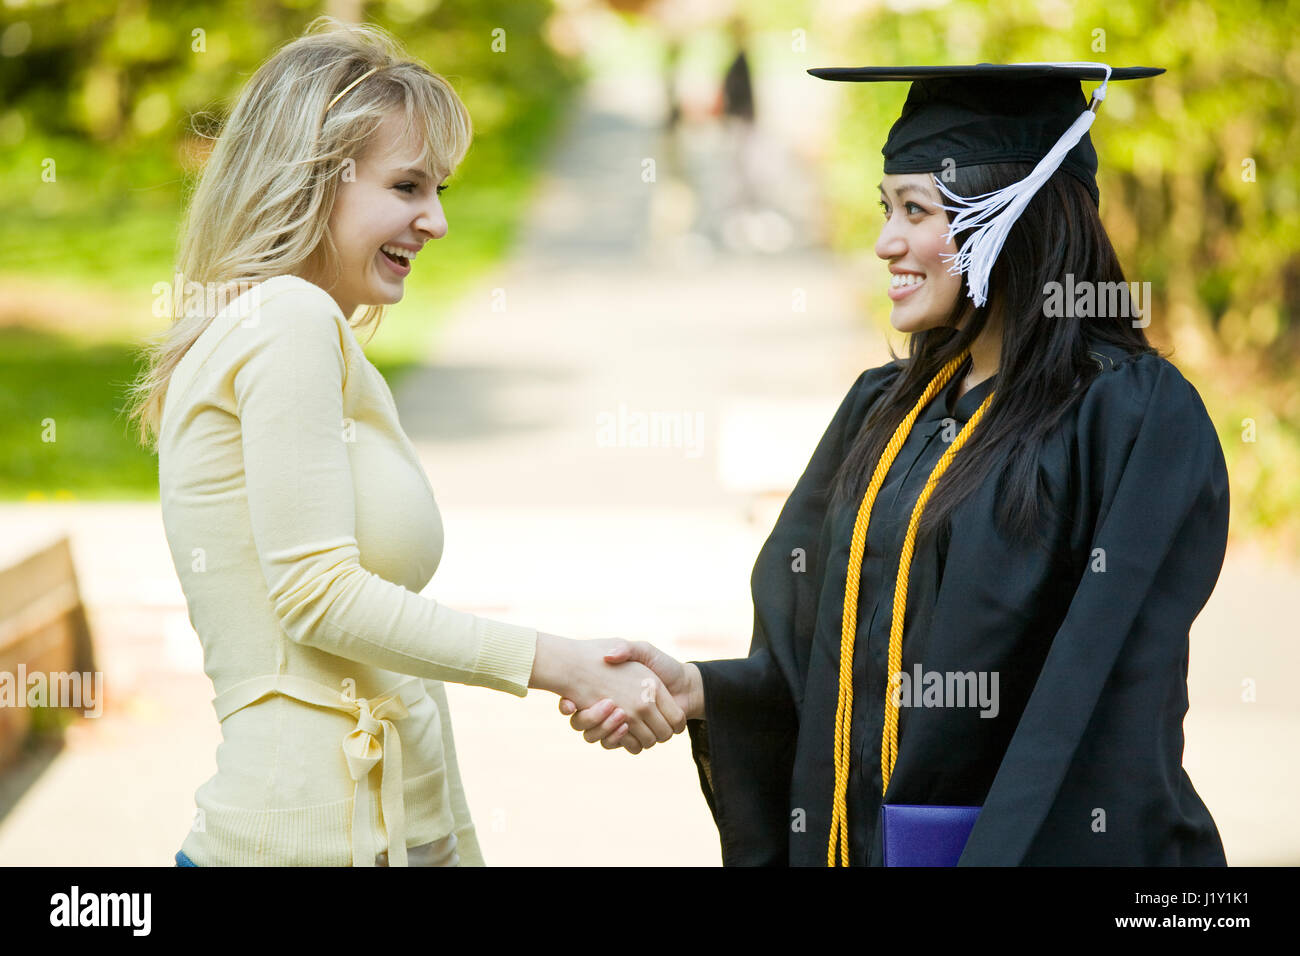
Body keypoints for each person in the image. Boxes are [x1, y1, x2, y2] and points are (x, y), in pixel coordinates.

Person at [563, 62, 1231, 866]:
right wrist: (706, 691)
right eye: (888, 208)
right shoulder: (885, 408)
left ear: (1010, 217)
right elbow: (821, 659)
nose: (886, 242)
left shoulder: (1127, 418)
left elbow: (1099, 710)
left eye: (916, 210)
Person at [126, 17, 684, 867]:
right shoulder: (285, 319)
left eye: (441, 192)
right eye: (408, 186)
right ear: (312, 178)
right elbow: (317, 594)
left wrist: (455, 847)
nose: (436, 222)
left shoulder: (305, 334)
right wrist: (560, 663)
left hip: (386, 838)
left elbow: (395, 670)